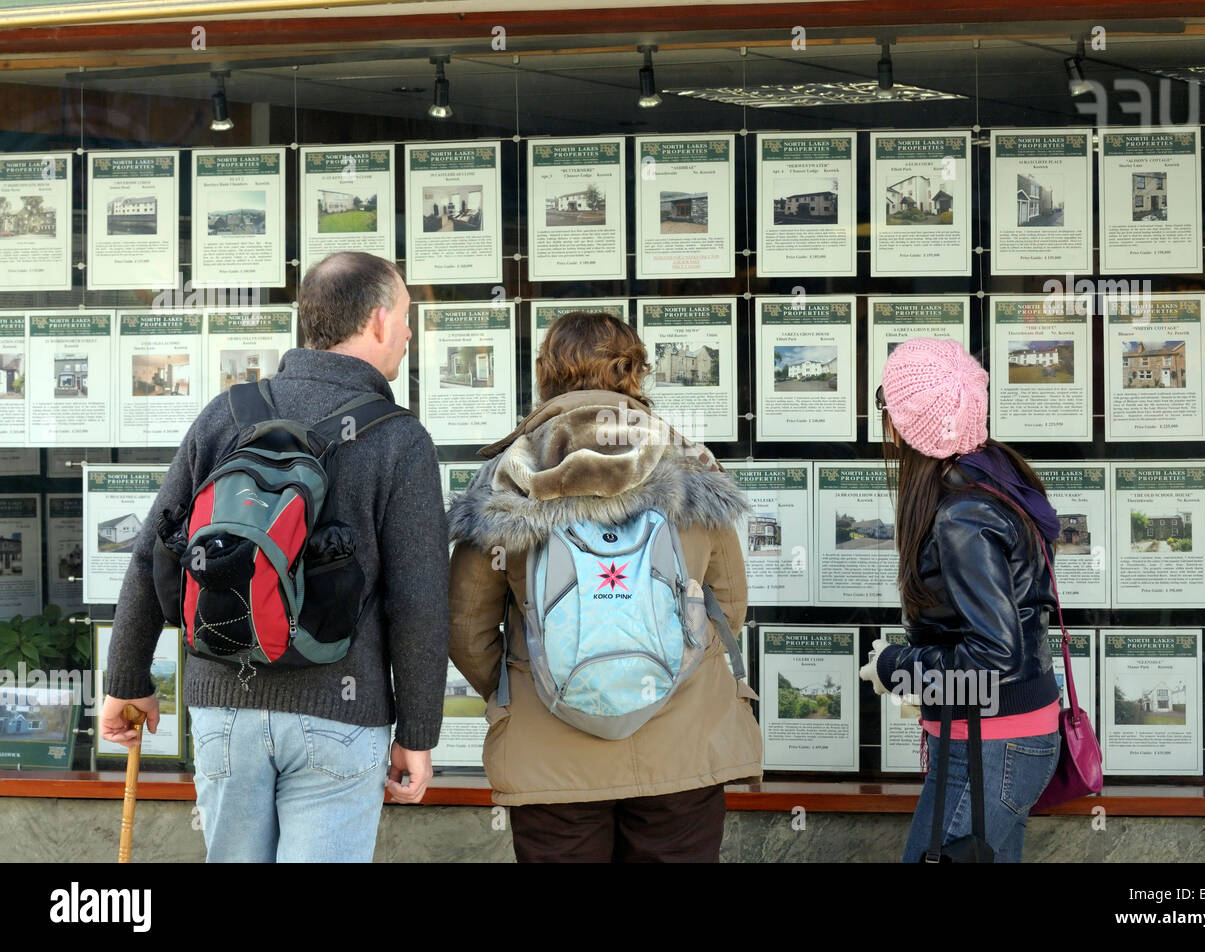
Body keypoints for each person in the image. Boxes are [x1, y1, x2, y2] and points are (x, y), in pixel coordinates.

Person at [101, 251, 449, 863]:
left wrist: (128, 679)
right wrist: (418, 734)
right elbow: (418, 599)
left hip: (223, 705)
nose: (408, 334)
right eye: (405, 317)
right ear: (375, 321)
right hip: (341, 711)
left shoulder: (226, 415)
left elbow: (155, 549)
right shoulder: (400, 439)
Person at [446, 310, 761, 863]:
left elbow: (467, 623)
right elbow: (726, 604)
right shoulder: (688, 463)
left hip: (551, 755)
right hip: (682, 748)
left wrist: (525, 678)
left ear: (545, 374)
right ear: (634, 372)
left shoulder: (508, 473)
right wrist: (673, 665)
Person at [859, 337, 1061, 863]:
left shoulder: (963, 516)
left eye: (886, 404)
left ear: (907, 425)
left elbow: (994, 655)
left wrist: (895, 665)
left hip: (990, 743)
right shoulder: (994, 483)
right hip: (1000, 734)